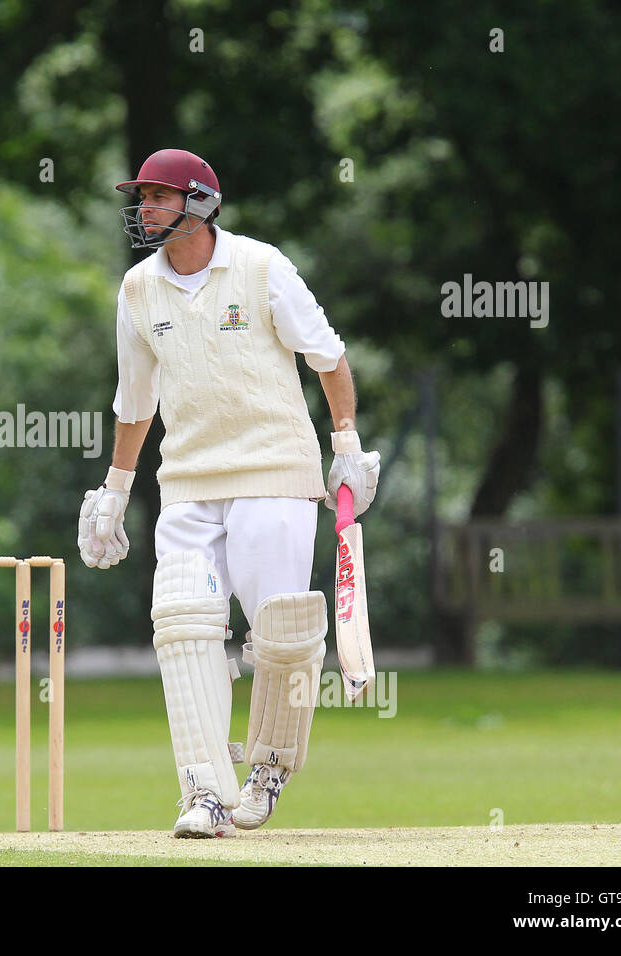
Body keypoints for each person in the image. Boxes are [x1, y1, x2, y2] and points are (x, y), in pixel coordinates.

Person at [77, 149, 381, 838]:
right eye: (142, 197)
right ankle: (204, 793)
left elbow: (327, 356)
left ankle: (268, 768)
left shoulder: (262, 268)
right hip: (186, 483)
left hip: (273, 471)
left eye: (158, 196)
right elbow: (133, 402)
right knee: (182, 628)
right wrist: (114, 493)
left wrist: (346, 445)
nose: (145, 208)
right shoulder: (136, 289)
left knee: (280, 633)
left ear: (201, 205)